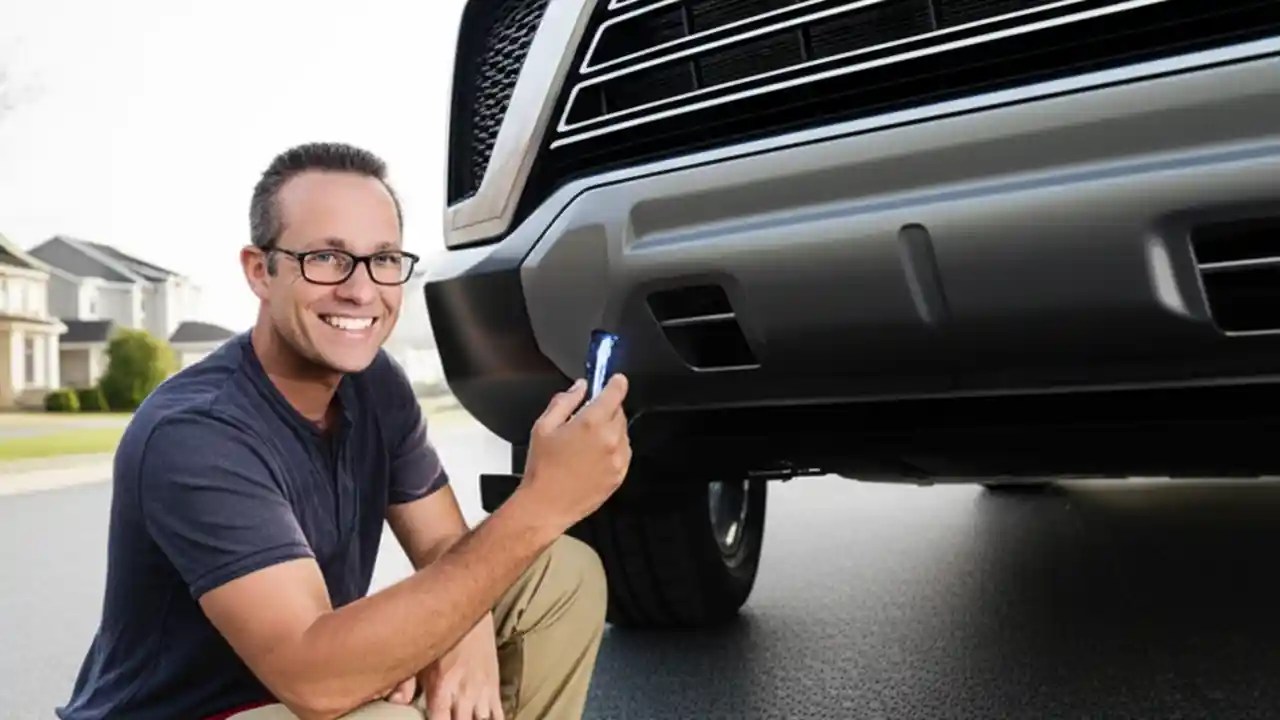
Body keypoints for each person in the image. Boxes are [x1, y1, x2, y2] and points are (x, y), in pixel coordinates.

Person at [56, 142, 632, 720]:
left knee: (561, 576)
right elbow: (315, 678)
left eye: (382, 259)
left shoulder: (375, 383)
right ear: (261, 272)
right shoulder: (195, 433)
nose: (361, 290)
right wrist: (542, 503)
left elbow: (440, 544)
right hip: (206, 709)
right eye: (327, 259)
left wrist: (465, 632)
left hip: (307, 687)